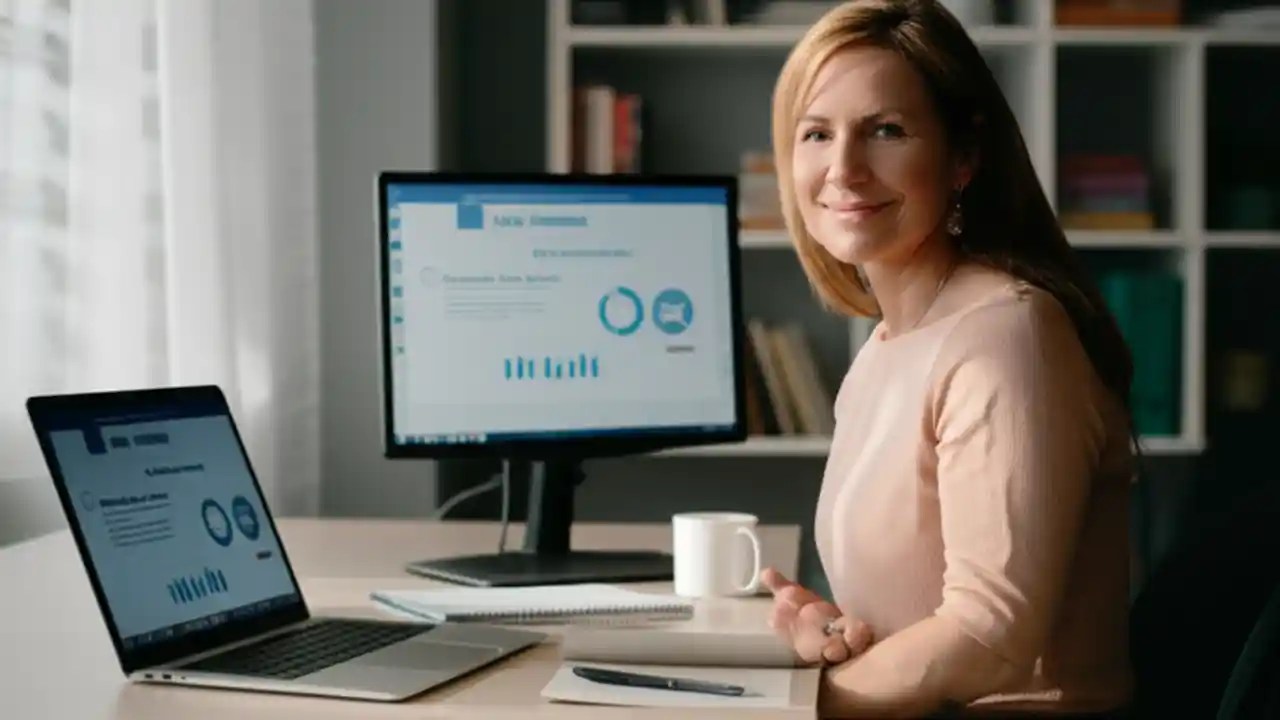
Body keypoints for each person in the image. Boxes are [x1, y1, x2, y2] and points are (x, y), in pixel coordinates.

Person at [758, 0, 1138, 717]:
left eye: (886, 131)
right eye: (816, 133)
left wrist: (798, 704)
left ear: (963, 157)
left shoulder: (1007, 333)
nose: (843, 169)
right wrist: (838, 634)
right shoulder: (882, 352)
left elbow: (989, 636)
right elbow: (927, 612)